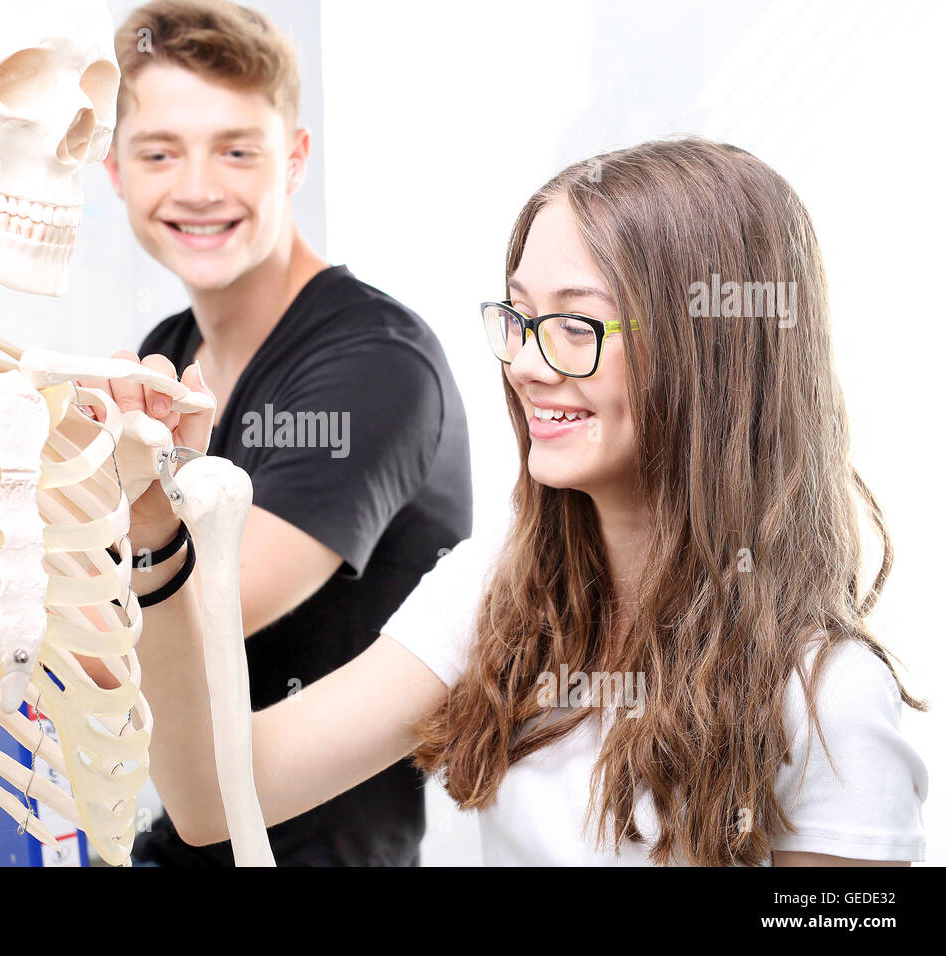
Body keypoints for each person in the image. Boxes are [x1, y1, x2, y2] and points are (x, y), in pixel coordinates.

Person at [111, 137, 929, 866]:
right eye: (519, 316)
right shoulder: (493, 593)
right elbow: (215, 799)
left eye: (576, 326)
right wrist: (154, 531)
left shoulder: (830, 702)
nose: (527, 366)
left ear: (712, 347)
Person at [100, 0, 472, 866]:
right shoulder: (170, 354)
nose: (197, 187)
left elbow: (186, 613)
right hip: (190, 836)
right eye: (159, 152)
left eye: (237, 149)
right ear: (115, 169)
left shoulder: (376, 366)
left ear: (295, 159)